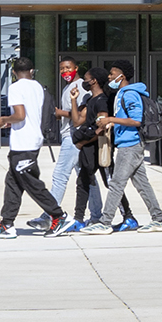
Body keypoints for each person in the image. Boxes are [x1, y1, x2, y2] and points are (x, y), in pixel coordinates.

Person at [0, 61, 65, 237]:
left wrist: (3, 119)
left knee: (32, 183)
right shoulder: (37, 87)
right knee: (12, 183)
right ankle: (7, 224)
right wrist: (11, 123)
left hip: (24, 143)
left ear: (14, 72)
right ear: (31, 71)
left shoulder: (15, 87)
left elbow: (20, 115)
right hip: (31, 139)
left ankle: (59, 216)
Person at [97, 62, 162, 233]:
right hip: (129, 143)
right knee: (143, 184)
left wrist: (110, 120)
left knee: (116, 184)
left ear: (122, 76)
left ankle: (105, 222)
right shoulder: (122, 94)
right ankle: (159, 220)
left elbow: (136, 121)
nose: (110, 77)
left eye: (112, 74)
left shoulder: (129, 94)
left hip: (130, 145)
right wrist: (113, 124)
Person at [55, 59, 99, 231]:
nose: (65, 71)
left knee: (60, 175)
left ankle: (51, 214)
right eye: (61, 69)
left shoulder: (80, 86)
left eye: (68, 68)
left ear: (76, 68)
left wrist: (61, 113)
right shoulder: (68, 87)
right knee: (87, 177)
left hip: (73, 136)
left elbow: (80, 115)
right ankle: (96, 215)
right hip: (70, 134)